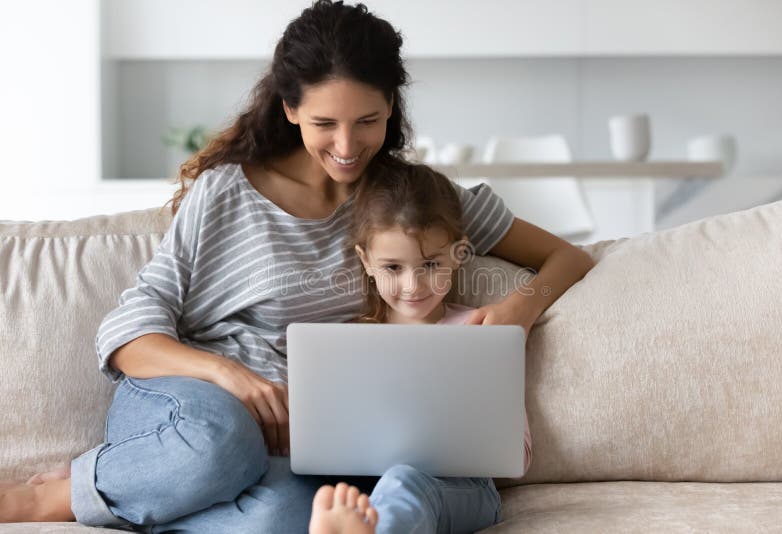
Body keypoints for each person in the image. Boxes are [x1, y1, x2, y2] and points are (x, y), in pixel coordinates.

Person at [0, 0, 593, 531]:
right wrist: (230, 378)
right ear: (289, 109)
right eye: (323, 123)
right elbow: (129, 332)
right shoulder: (226, 193)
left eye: (368, 120)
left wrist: (523, 306)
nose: (346, 145)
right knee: (224, 442)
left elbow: (566, 255)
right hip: (191, 407)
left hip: (300, 445)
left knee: (288, 519)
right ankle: (52, 499)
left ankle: (154, 502)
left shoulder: (411, 202)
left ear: (391, 106)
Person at [307, 161, 533, 534]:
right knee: (379, 486)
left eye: (430, 264)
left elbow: (519, 455)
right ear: (365, 261)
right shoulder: (348, 344)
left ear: (458, 254)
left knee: (404, 484)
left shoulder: (481, 331)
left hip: (465, 489)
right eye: (393, 268)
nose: (413, 285)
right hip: (370, 485)